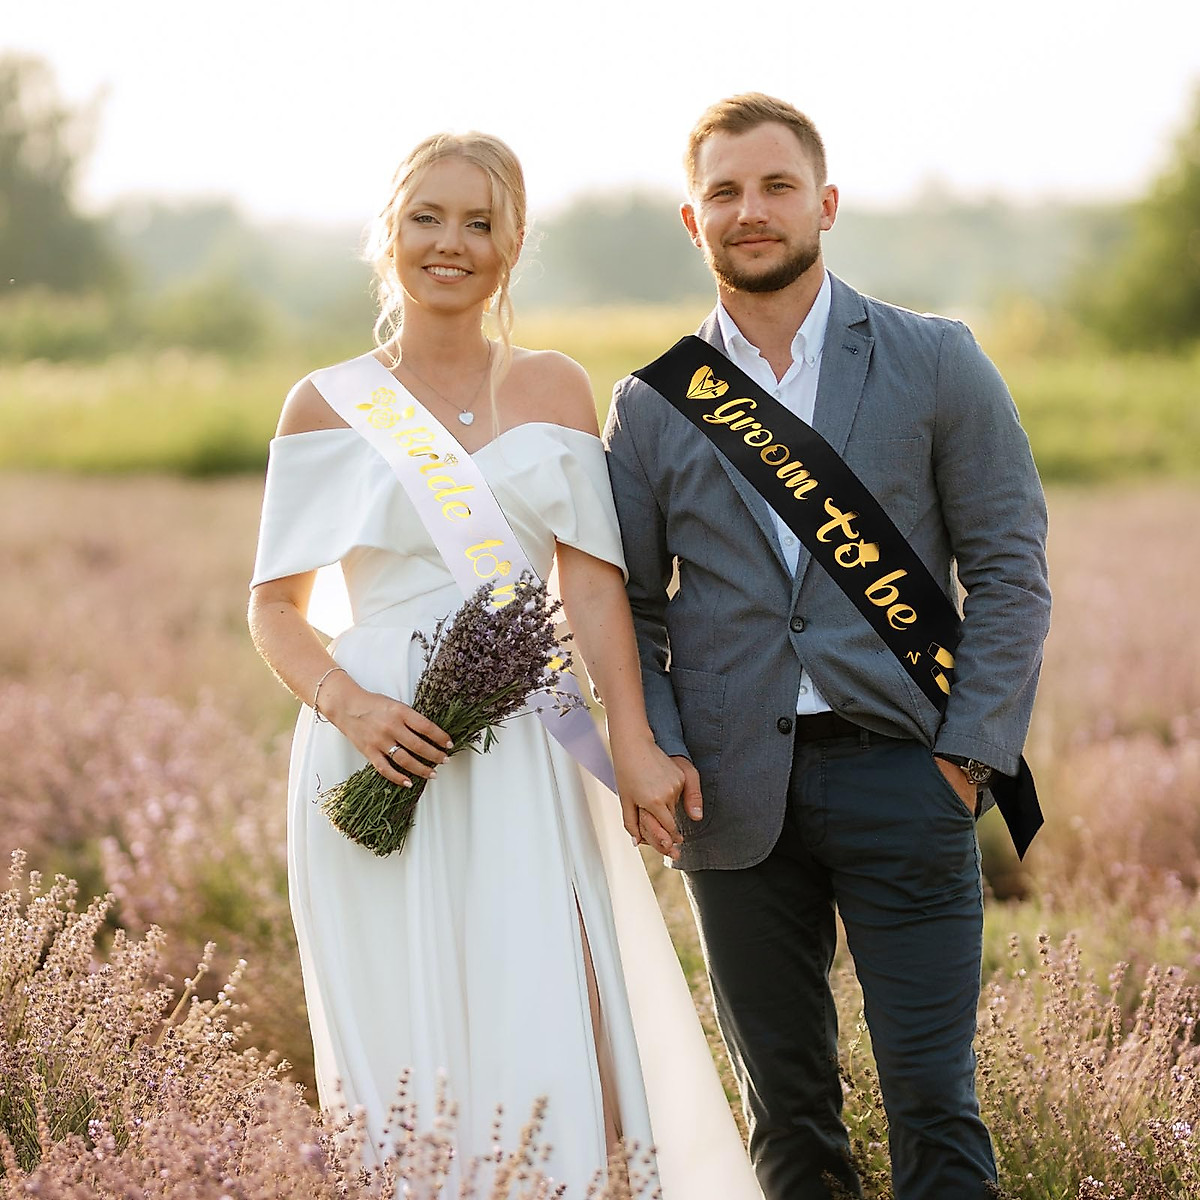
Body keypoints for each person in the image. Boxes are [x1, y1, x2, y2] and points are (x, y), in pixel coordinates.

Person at [247, 131, 762, 1198]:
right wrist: (353, 708)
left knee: (543, 1004)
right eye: (427, 218)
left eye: (479, 223)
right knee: (403, 1037)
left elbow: (592, 589)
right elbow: (274, 610)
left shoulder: (556, 388)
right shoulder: (325, 403)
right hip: (379, 754)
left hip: (528, 749)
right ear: (388, 233)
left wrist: (633, 742)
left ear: (513, 245)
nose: (451, 243)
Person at [603, 94, 1051, 1200]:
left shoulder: (934, 359)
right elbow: (631, 605)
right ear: (692, 220)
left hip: (907, 775)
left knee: (934, 1103)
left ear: (827, 203)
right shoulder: (654, 405)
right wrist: (658, 746)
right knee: (789, 1121)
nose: (750, 211)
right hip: (729, 798)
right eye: (724, 192)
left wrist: (968, 757)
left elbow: (1009, 571)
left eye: (776, 186)